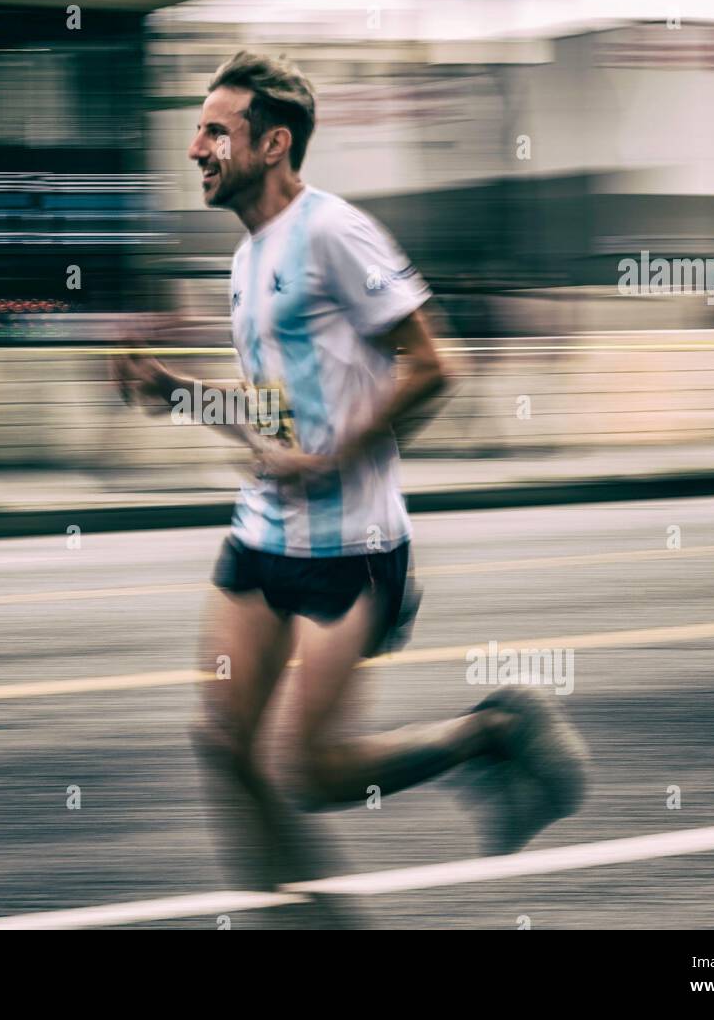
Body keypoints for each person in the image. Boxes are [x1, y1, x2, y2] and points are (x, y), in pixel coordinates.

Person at [112, 50, 589, 925]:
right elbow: (278, 412)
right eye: (198, 129)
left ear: (273, 144)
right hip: (263, 536)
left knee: (312, 772)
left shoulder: (334, 232)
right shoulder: (248, 259)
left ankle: (490, 734)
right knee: (223, 743)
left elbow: (436, 364)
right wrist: (176, 390)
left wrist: (334, 460)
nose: (195, 147)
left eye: (216, 130)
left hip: (352, 547)